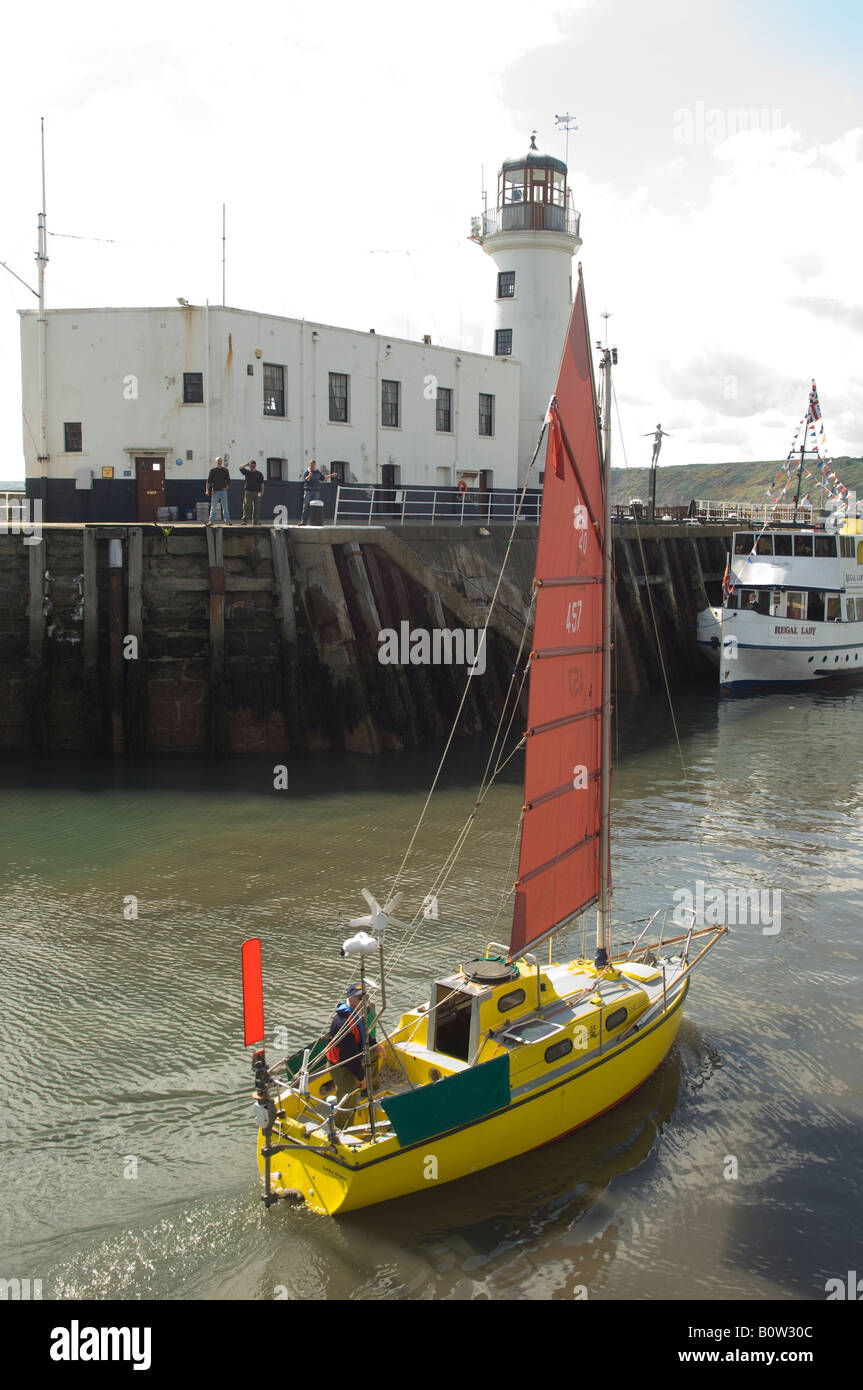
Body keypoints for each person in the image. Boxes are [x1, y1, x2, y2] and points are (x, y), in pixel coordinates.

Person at [325, 984, 382, 1119]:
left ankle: (368, 1090)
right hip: (341, 1064)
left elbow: (363, 1034)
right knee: (348, 1096)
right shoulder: (343, 1023)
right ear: (350, 999)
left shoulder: (357, 1013)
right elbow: (350, 1057)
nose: (364, 1001)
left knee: (374, 1054)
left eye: (365, 997)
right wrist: (361, 1077)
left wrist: (376, 1045)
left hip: (353, 1055)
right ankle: (341, 1127)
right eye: (360, 998)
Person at [300, 459, 326, 525]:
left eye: (314, 465)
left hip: (316, 491)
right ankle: (303, 521)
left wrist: (331, 475)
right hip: (308, 491)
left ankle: (316, 521)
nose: (313, 466)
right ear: (309, 465)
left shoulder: (317, 472)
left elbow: (322, 478)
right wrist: (309, 475)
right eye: (312, 465)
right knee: (306, 507)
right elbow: (306, 480)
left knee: (316, 506)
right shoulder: (307, 472)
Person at [206, 456, 231, 525]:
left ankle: (227, 521)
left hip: (223, 491)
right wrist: (207, 490)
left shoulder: (225, 470)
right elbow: (208, 481)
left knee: (225, 507)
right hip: (215, 491)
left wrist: (227, 487)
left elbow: (228, 480)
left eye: (220, 461)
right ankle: (211, 521)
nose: (219, 462)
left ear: (222, 462)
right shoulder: (212, 471)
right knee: (213, 507)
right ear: (216, 462)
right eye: (218, 461)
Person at [239, 459, 265, 525]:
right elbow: (240, 468)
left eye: (254, 466)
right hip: (248, 491)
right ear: (249, 466)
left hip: (258, 492)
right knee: (246, 506)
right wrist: (246, 464)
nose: (253, 467)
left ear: (255, 466)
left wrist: (262, 491)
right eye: (251, 466)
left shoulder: (259, 474)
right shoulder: (247, 472)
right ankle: (244, 521)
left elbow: (262, 483)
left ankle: (255, 521)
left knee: (257, 507)